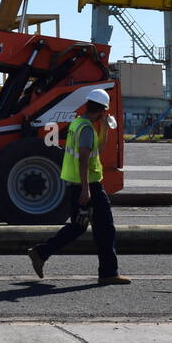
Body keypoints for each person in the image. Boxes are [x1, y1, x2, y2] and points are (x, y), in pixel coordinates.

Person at [27, 88, 130, 286]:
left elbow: (97, 150)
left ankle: (41, 252)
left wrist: (105, 129)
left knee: (78, 227)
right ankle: (108, 273)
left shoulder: (80, 124)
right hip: (89, 186)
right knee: (106, 229)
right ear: (102, 110)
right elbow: (83, 159)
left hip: (80, 185)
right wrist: (86, 190)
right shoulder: (85, 129)